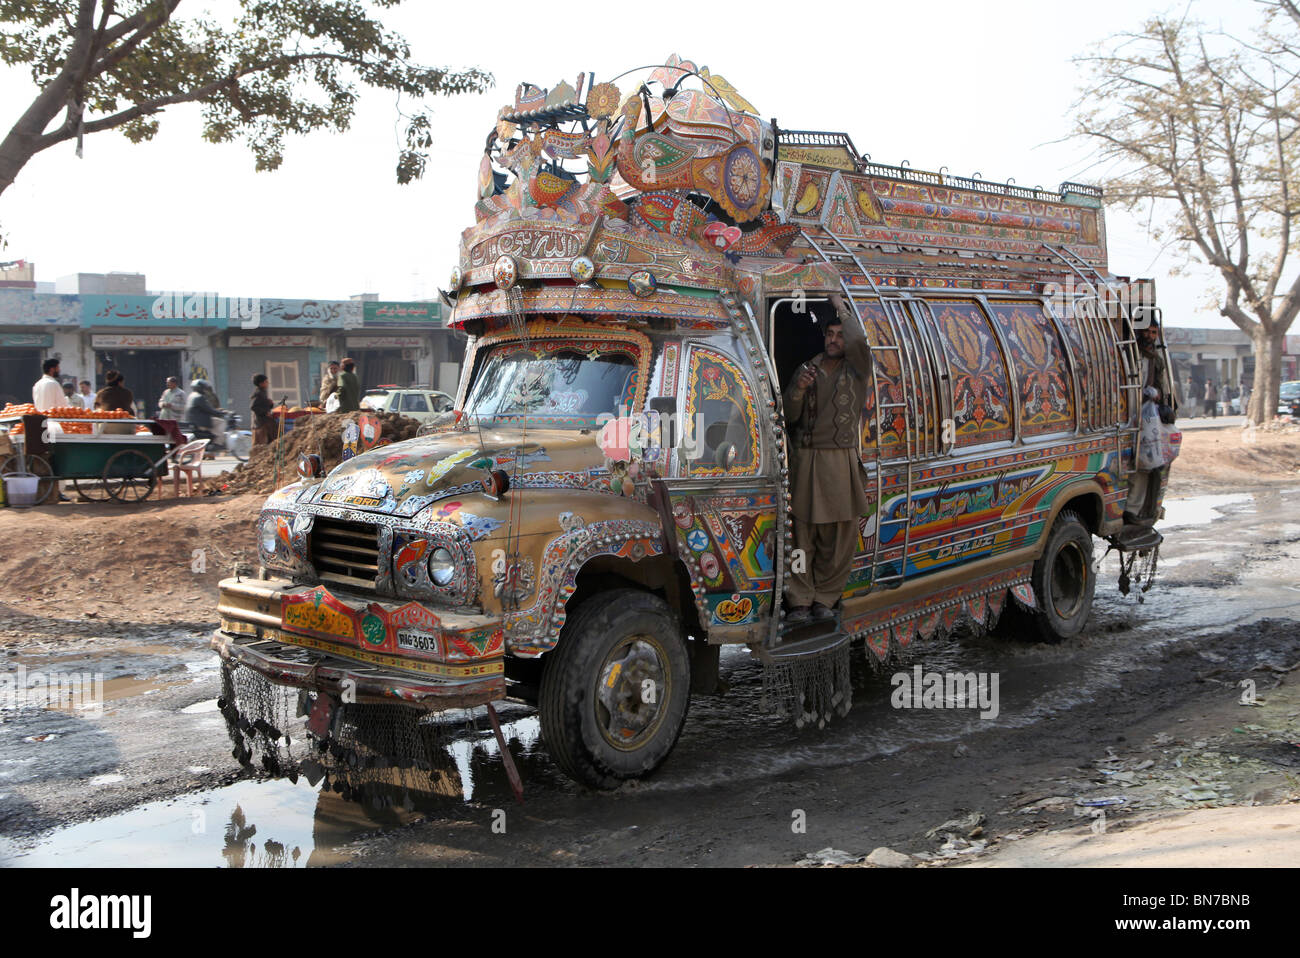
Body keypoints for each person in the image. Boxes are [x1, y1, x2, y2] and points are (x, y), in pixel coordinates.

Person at [782, 294, 872, 623]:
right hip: (806, 461)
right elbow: (788, 417)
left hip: (840, 462)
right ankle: (801, 599)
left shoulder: (857, 368)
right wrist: (798, 390)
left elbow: (860, 340)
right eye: (830, 334)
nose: (834, 340)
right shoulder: (807, 369)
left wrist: (840, 306)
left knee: (838, 537)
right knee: (801, 536)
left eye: (839, 334)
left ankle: (826, 597)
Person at [251, 373, 278, 444]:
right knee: (261, 444)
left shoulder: (263, 392)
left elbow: (263, 405)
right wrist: (265, 413)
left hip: (265, 422)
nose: (267, 383)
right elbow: (254, 407)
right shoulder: (258, 393)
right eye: (266, 382)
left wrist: (270, 404)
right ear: (261, 383)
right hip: (260, 423)